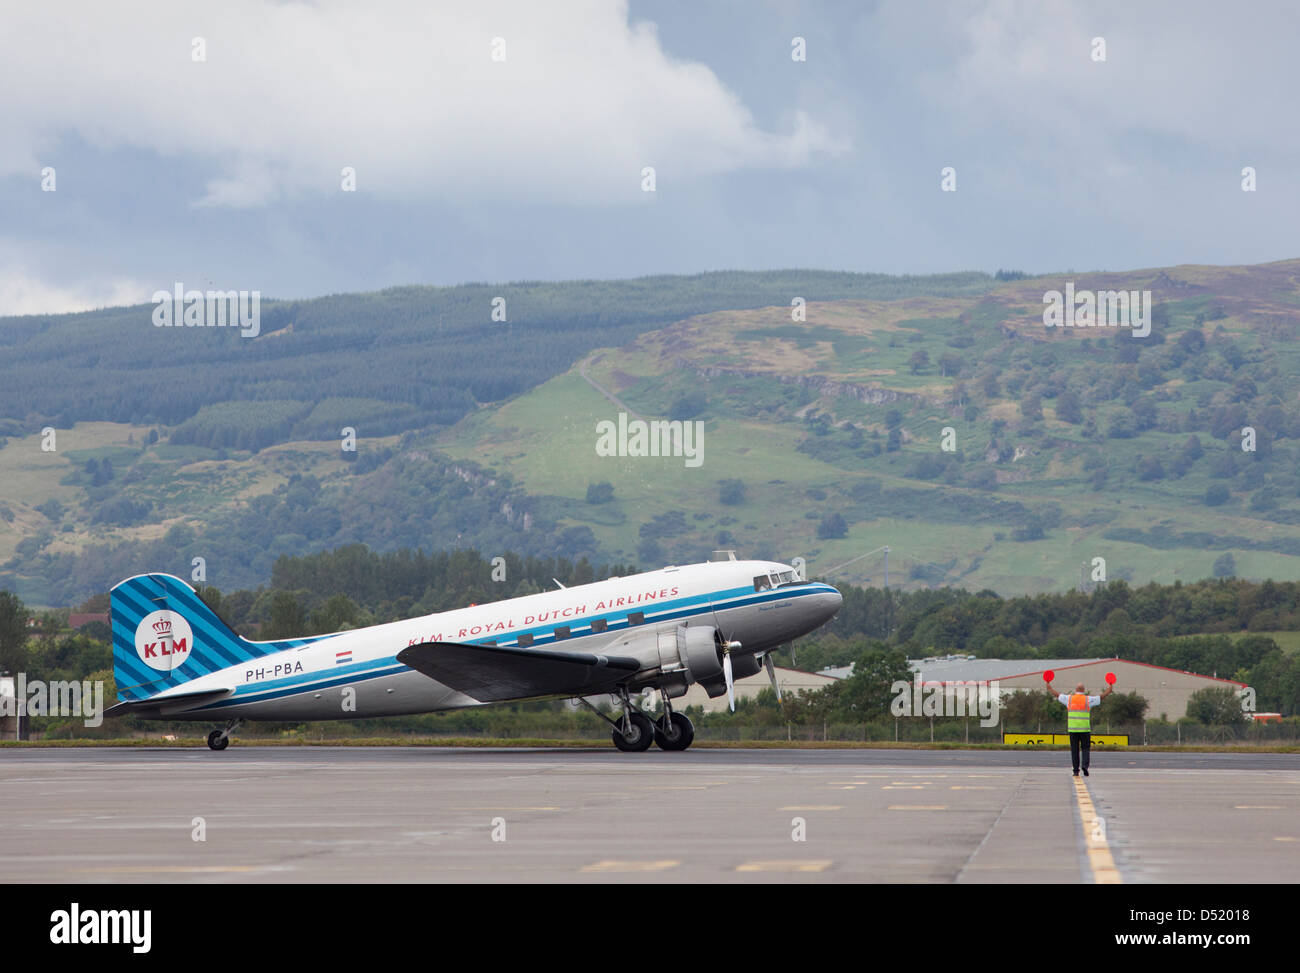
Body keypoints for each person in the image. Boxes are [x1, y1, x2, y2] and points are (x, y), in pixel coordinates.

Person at [1045, 677, 1113, 776]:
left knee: (1074, 750)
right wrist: (1109, 689)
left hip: (1073, 729)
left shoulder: (1069, 699)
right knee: (1085, 749)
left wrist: (1049, 687)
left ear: (1076, 690)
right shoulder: (1088, 699)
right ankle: (1085, 766)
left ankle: (1076, 771)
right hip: (1085, 729)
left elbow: (1057, 695)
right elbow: (1101, 697)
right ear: (1083, 690)